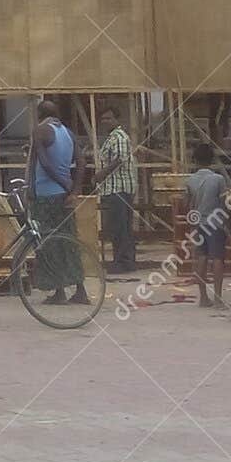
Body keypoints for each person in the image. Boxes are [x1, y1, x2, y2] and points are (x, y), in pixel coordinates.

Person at [28, 100, 89, 307]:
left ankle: (59, 291)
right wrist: (74, 188)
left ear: (39, 115)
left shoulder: (41, 130)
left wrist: (65, 183)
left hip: (46, 196)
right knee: (68, 242)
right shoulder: (68, 133)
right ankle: (80, 290)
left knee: (48, 242)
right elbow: (82, 162)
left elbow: (44, 163)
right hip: (64, 197)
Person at [93, 103, 137, 274]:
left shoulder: (119, 137)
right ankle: (126, 261)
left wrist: (100, 175)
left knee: (119, 227)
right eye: (103, 119)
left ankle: (122, 262)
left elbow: (118, 160)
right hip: (113, 188)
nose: (105, 121)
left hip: (118, 188)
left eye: (108, 118)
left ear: (116, 119)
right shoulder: (113, 137)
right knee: (121, 227)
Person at [185, 143, 229, 310]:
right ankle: (218, 298)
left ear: (195, 160)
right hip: (215, 223)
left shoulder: (190, 180)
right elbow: (224, 204)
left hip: (197, 223)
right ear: (212, 160)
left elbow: (187, 204)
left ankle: (203, 297)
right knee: (217, 258)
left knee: (201, 258)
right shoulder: (218, 179)